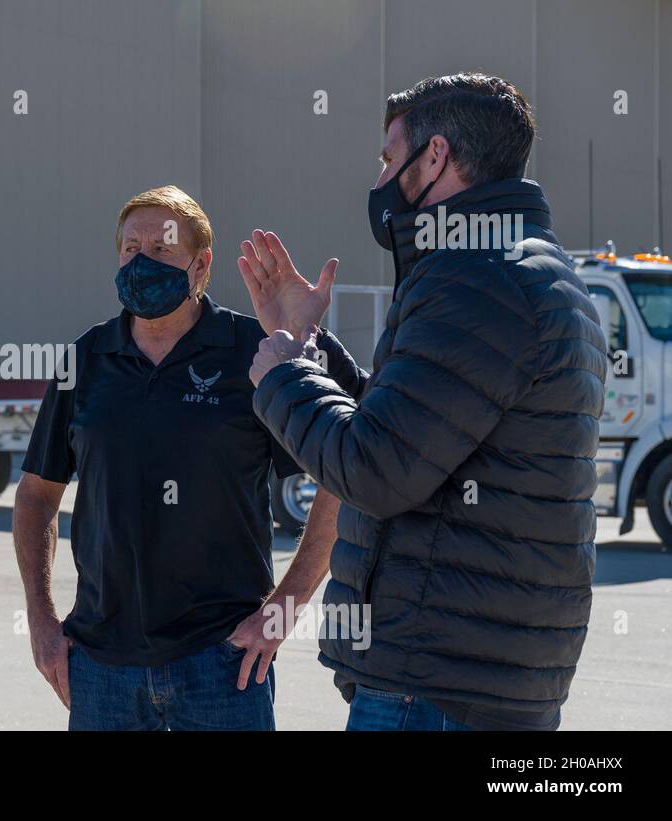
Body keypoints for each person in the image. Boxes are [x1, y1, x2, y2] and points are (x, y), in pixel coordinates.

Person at [243, 73, 607, 731]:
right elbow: (414, 424)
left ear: (434, 156)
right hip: (487, 678)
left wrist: (282, 378)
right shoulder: (531, 270)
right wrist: (308, 344)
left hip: (434, 688)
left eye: (389, 157)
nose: (381, 178)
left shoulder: (476, 277)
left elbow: (376, 468)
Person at [12, 185, 355, 730]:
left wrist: (286, 606)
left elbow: (344, 473)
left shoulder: (257, 352)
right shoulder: (85, 358)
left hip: (223, 663)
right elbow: (36, 493)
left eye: (162, 248)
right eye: (130, 248)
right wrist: (41, 617)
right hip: (100, 667)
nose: (141, 261)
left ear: (201, 265)